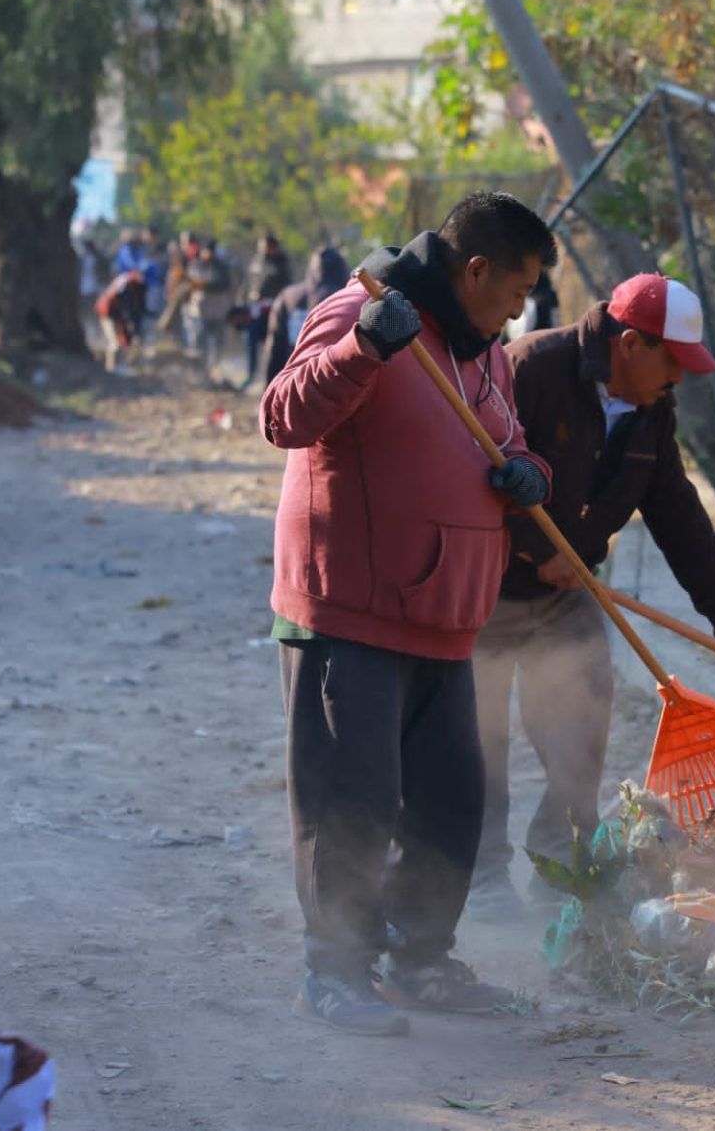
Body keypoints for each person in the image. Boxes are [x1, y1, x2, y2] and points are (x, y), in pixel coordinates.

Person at [260, 191, 558, 1037]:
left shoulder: (484, 352)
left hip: (446, 619)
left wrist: (530, 473)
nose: (518, 313)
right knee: (351, 800)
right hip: (349, 612)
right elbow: (282, 416)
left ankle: (419, 959)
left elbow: (508, 437)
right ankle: (334, 972)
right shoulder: (361, 310)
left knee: (451, 801)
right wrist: (360, 350)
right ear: (476, 271)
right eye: (515, 292)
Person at [469, 273, 715, 917]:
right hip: (486, 589)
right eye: (674, 362)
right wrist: (534, 546)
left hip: (567, 595)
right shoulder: (531, 369)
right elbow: (471, 469)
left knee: (580, 729)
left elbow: (678, 512)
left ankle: (558, 869)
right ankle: (483, 877)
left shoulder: (651, 410)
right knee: (479, 734)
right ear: (630, 345)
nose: (679, 380)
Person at [262, 244, 349, 387]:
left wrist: (269, 389)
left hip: (291, 382)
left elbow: (274, 348)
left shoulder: (288, 296)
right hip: (330, 384)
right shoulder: (345, 299)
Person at [241, 231, 293, 388]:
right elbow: (248, 281)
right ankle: (251, 374)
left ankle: (273, 378)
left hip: (273, 311)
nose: (262, 249)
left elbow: (287, 286)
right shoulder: (257, 261)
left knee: (272, 345)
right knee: (251, 342)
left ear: (273, 247)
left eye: (265, 246)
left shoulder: (282, 263)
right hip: (256, 309)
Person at [181, 238, 232, 368]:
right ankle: (201, 367)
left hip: (218, 310)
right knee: (200, 339)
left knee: (218, 339)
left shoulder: (221, 267)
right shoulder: (195, 265)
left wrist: (205, 284)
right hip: (199, 310)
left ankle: (216, 365)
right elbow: (188, 283)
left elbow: (223, 284)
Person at [93, 268, 147, 372]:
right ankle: (111, 369)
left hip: (113, 313)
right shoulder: (124, 288)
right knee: (115, 344)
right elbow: (124, 308)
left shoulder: (125, 283)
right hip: (107, 313)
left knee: (123, 342)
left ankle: (120, 366)